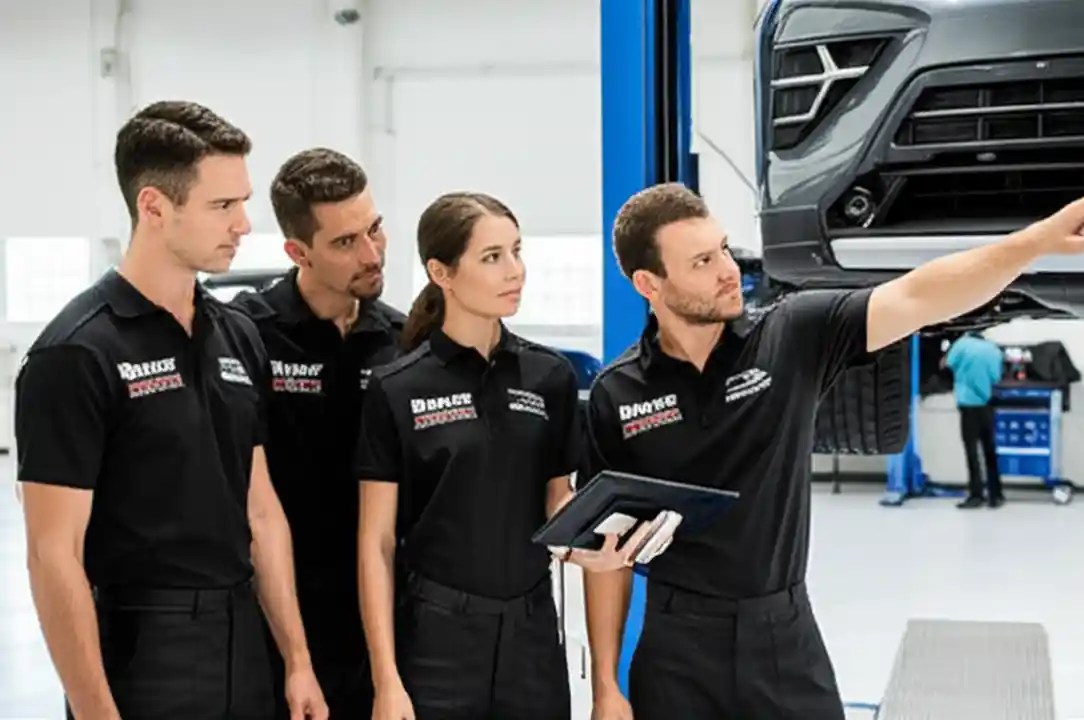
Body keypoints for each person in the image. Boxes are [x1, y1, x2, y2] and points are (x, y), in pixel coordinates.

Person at [582, 173, 1084, 719]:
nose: (729, 271)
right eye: (702, 262)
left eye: (723, 249)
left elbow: (922, 294)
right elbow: (607, 556)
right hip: (677, 645)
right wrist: (606, 685)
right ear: (649, 285)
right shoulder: (618, 392)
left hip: (781, 631)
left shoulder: (792, 337)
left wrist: (1038, 240)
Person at [15, 101, 328, 719]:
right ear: (154, 206)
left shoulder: (237, 333)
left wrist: (297, 661)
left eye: (242, 203)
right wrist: (97, 712)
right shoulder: (77, 351)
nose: (243, 225)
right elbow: (53, 555)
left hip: (245, 639)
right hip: (143, 650)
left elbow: (261, 511)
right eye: (222, 206)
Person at [352, 192, 655, 720]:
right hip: (435, 638)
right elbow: (375, 543)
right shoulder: (395, 388)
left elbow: (557, 503)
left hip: (532, 632)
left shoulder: (550, 377)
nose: (515, 270)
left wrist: (594, 547)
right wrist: (386, 680)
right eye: (492, 257)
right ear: (441, 272)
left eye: (516, 251)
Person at [228, 147, 404, 718]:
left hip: (380, 618)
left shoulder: (405, 341)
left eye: (374, 228)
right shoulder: (245, 334)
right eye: (346, 242)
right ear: (297, 252)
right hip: (275, 618)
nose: (372, 253)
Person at [944, 331, 1008, 509]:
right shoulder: (993, 349)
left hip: (967, 404)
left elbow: (948, 365)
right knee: (990, 451)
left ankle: (976, 495)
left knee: (972, 452)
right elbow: (996, 377)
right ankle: (996, 495)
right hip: (986, 404)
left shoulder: (961, 344)